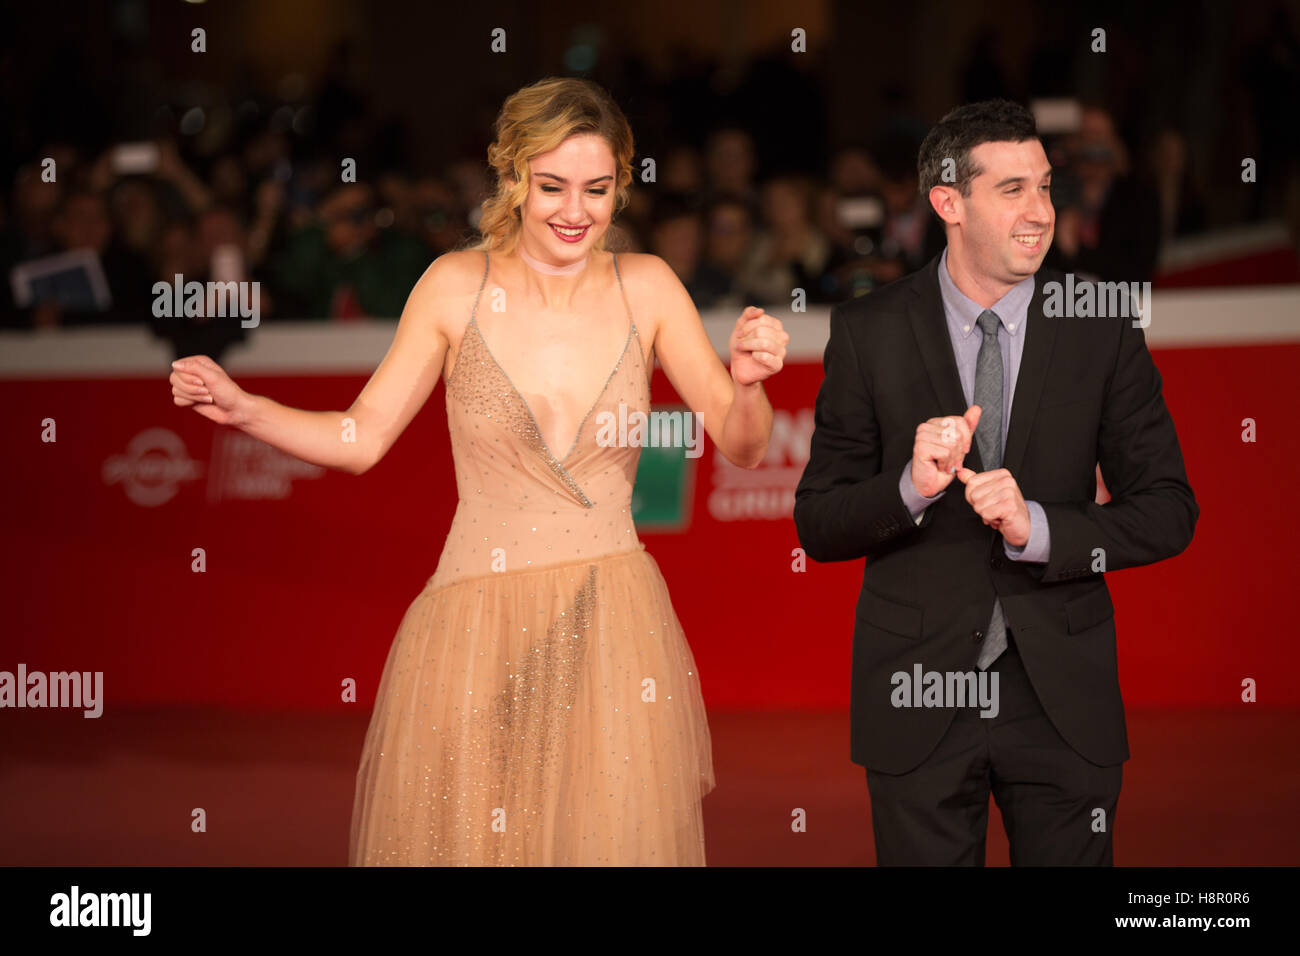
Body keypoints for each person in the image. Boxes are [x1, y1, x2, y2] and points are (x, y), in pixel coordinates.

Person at [167, 76, 788, 865]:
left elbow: (742, 444)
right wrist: (248, 409)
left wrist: (750, 385)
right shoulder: (454, 286)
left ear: (621, 188)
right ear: (514, 178)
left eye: (597, 189)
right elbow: (361, 437)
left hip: (610, 623)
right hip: (471, 625)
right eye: (551, 185)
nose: (575, 210)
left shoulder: (650, 287)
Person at [793, 99, 1197, 866]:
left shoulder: (1100, 322)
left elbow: (1170, 510)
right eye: (1012, 190)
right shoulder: (868, 331)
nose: (1041, 212)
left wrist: (1038, 528)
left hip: (1061, 701)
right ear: (948, 201)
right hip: (917, 699)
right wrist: (909, 487)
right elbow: (819, 522)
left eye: (1046, 187)